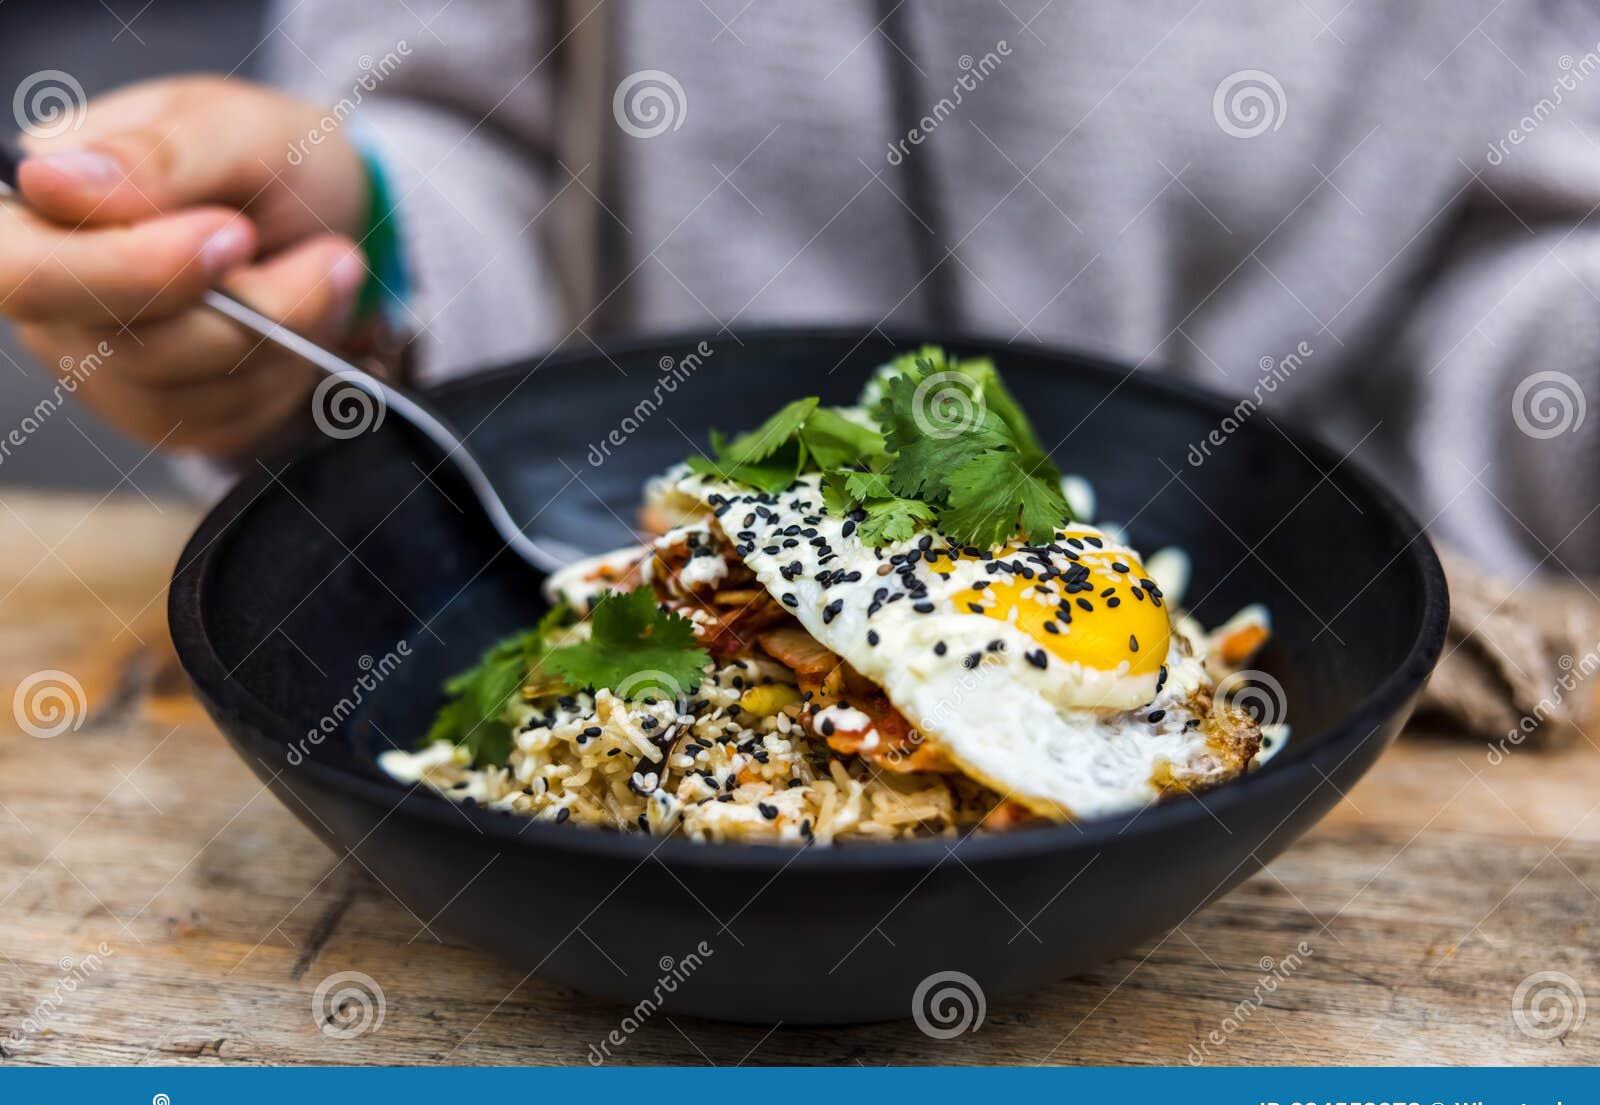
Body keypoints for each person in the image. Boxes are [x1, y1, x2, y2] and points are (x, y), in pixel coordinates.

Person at [1, 0, 1597, 575]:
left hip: (1341, 664)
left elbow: (1531, 250)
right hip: (601, 534)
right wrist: (350, 263)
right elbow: (467, 150)